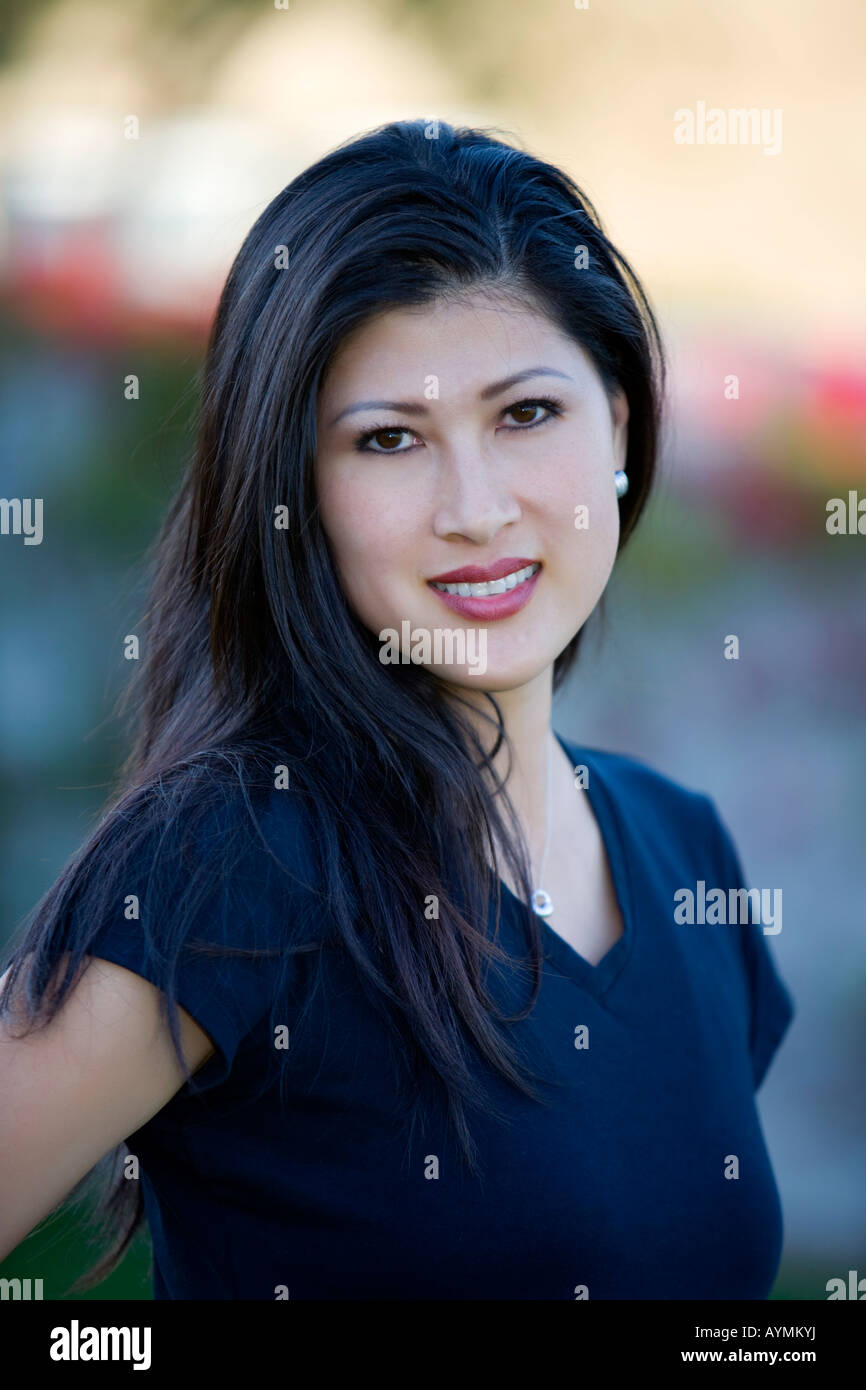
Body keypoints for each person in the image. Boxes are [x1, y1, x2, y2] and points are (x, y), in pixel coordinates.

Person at [0, 117, 794, 1300]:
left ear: (617, 424)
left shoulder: (688, 853)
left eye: (525, 414)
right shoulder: (232, 865)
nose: (474, 510)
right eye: (387, 440)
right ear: (295, 491)